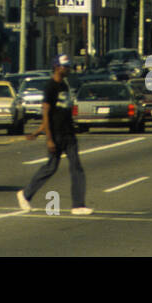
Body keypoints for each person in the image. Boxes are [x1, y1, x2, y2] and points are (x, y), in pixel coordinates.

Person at [16, 55, 91, 215]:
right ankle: (25, 194)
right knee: (50, 167)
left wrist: (36, 132)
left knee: (76, 167)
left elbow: (61, 110)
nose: (68, 69)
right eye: (66, 66)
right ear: (57, 67)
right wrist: (48, 138)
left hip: (69, 133)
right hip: (56, 134)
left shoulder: (64, 85)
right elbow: (46, 114)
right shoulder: (50, 87)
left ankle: (78, 205)